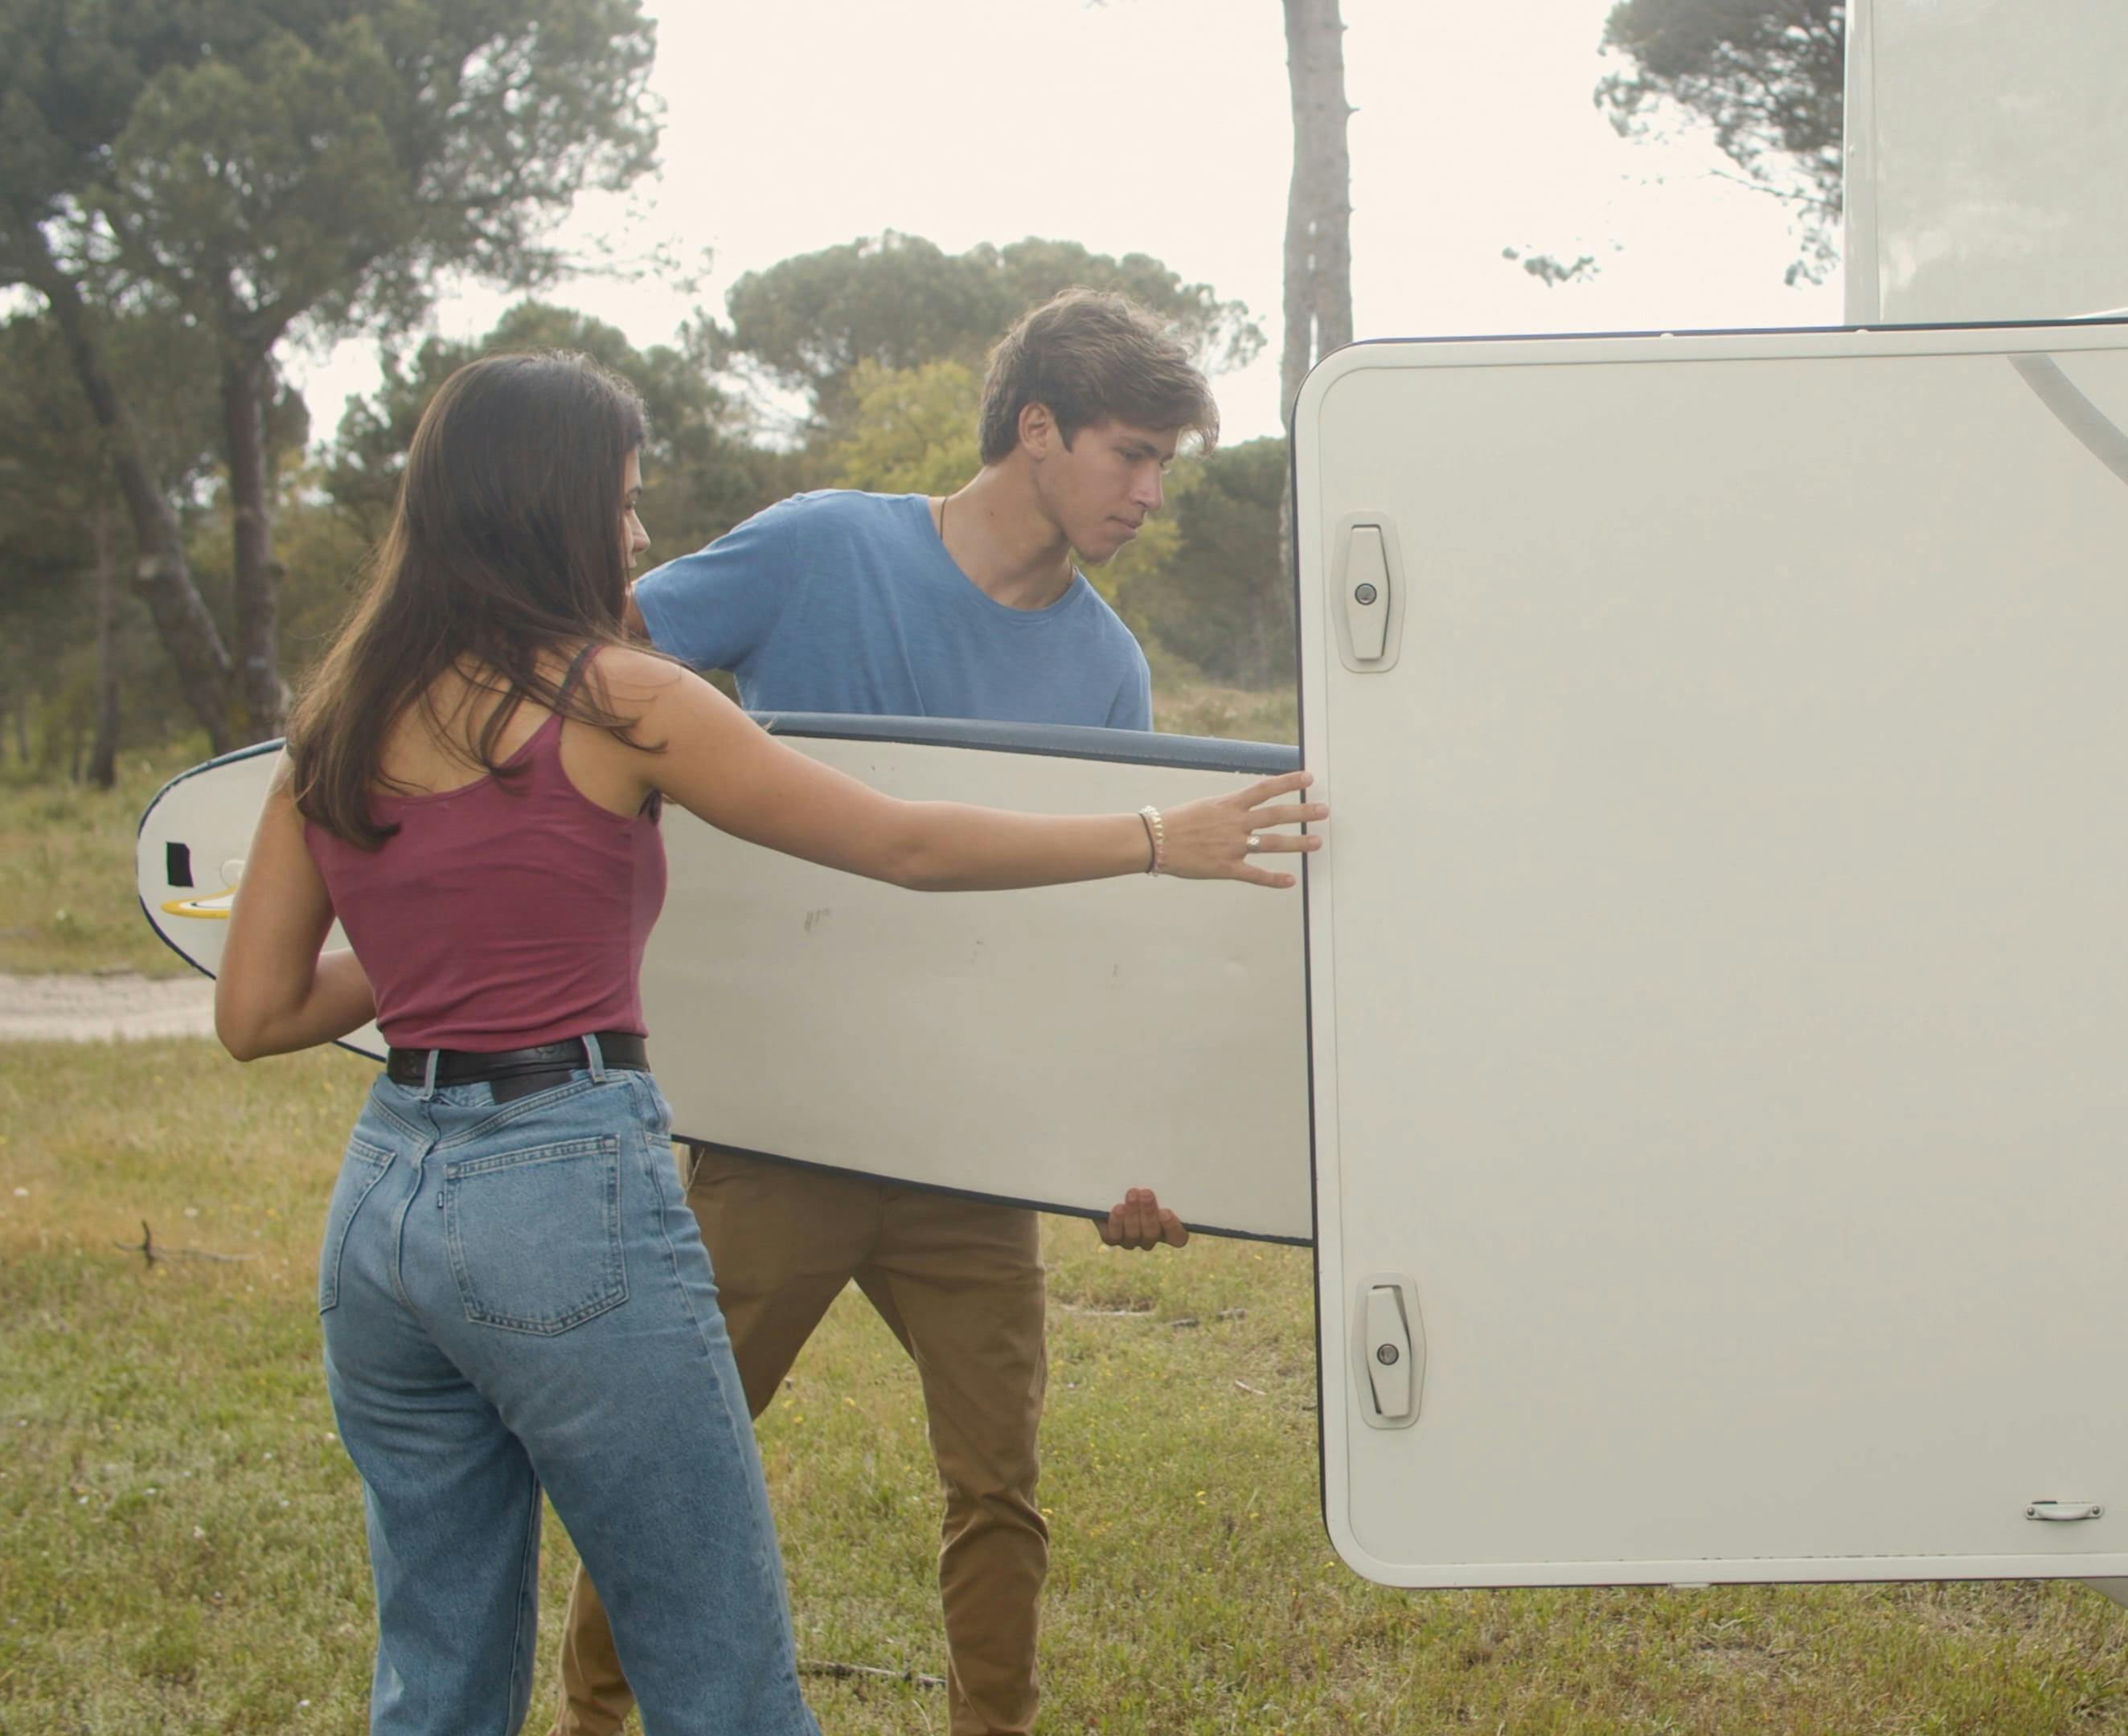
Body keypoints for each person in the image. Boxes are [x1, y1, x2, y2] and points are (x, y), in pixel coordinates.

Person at [213, 349, 1323, 1736]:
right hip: (564, 1185)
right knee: (724, 1672)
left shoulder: (336, 713)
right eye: (619, 506)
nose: (635, 541)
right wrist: (1162, 838)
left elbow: (254, 1017)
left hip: (381, 1212)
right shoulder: (627, 701)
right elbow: (902, 845)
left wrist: (459, 937)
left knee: (434, 1673)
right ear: (545, 509)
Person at [555, 287, 1240, 1735]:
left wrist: (1124, 1141)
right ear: (1036, 428)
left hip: (970, 1152)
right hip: (783, 1126)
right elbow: (595, 672)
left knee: (1000, 1486)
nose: (1150, 490)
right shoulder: (820, 547)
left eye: (1168, 462)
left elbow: (1103, 932)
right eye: (1129, 452)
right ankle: (592, 1720)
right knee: (678, 1458)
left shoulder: (1106, 665)